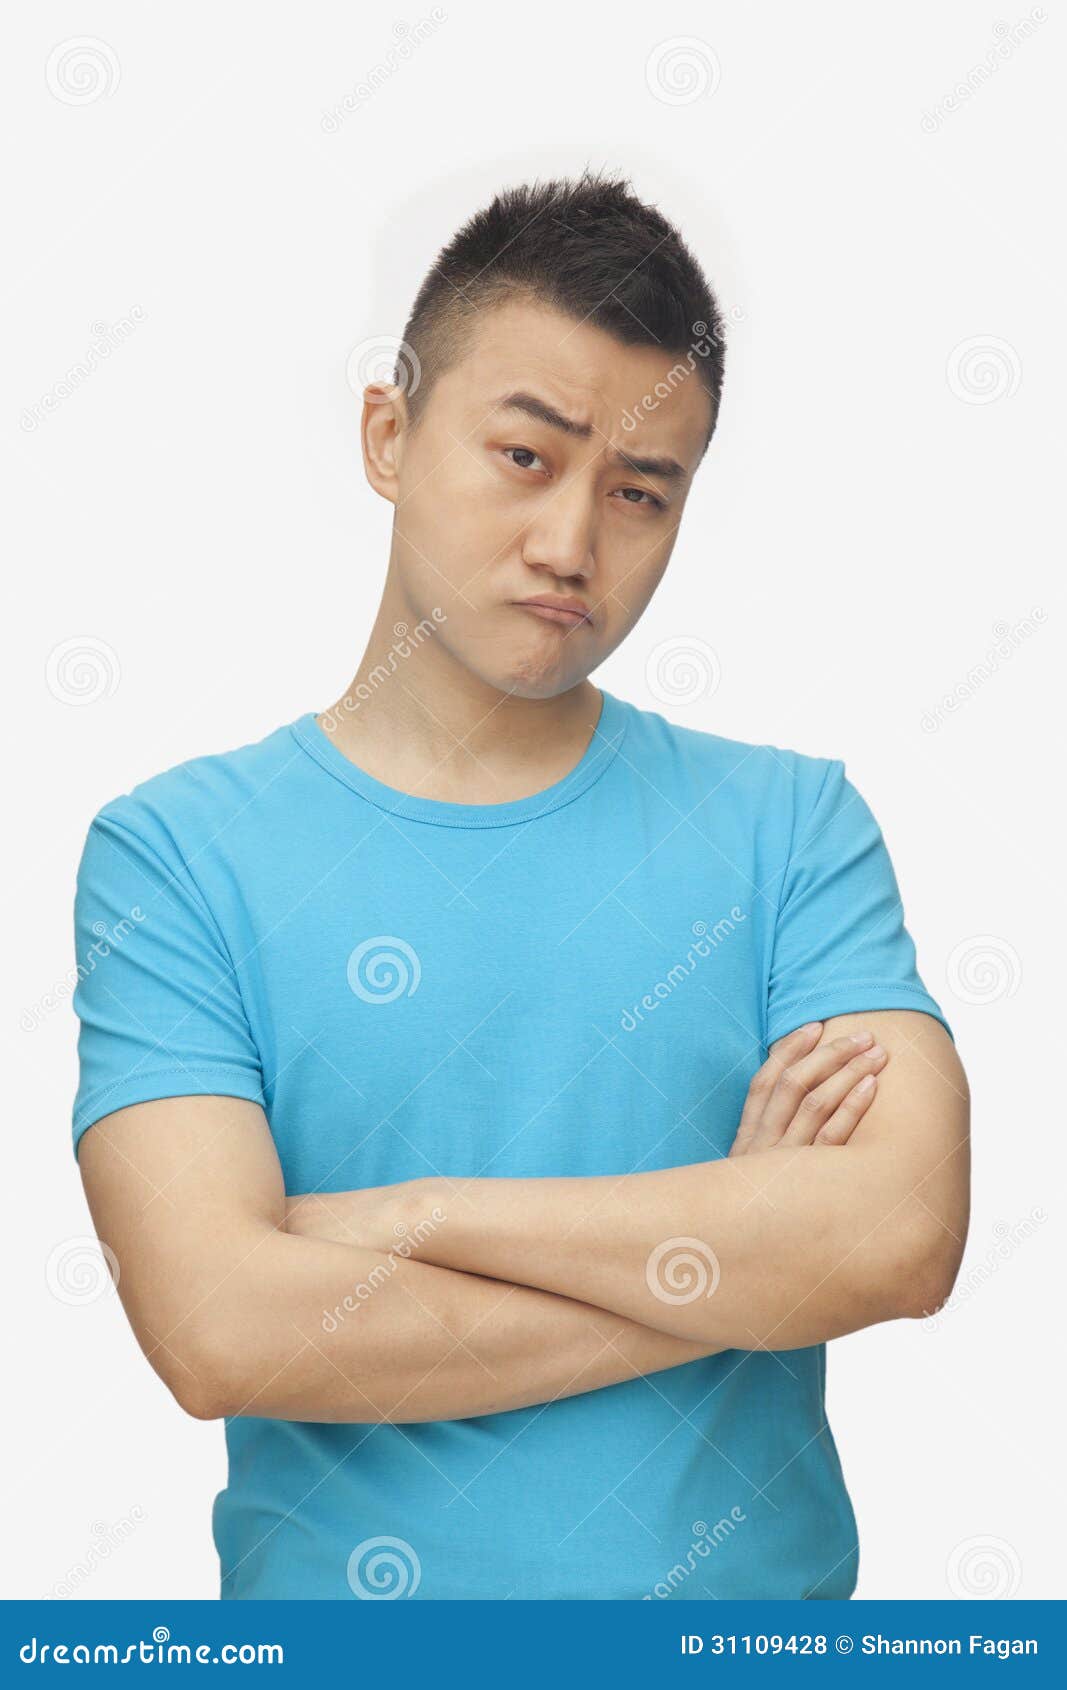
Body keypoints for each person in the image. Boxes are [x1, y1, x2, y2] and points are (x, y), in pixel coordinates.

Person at [71, 174, 970, 1601]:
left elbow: (899, 1235)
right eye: (525, 457)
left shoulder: (793, 828)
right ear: (388, 433)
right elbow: (222, 1326)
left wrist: (411, 1217)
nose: (572, 545)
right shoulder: (180, 853)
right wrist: (730, 1255)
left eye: (640, 491)